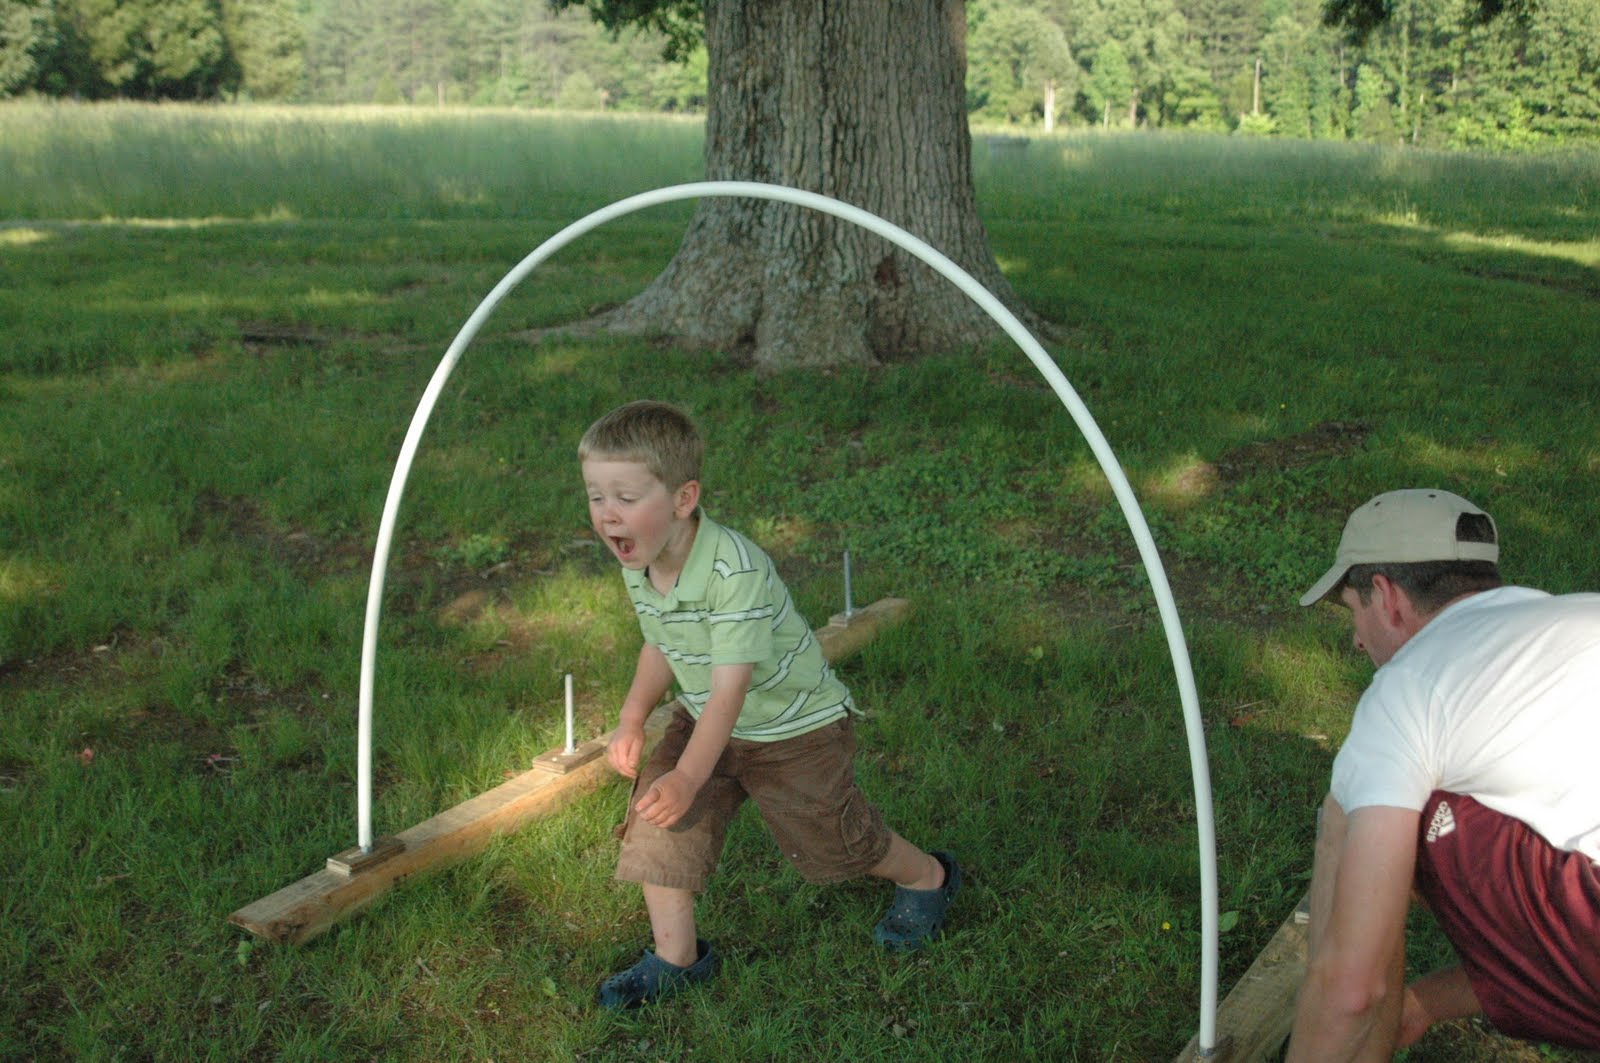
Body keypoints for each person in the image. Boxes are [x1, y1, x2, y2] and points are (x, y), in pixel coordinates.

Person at [577, 400, 959, 1009]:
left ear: (683, 498)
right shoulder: (640, 559)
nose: (606, 515)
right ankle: (676, 959)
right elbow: (661, 639)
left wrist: (688, 774)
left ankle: (927, 878)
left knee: (835, 843)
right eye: (596, 496)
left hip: (793, 728)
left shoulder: (733, 570)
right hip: (705, 717)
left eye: (624, 497)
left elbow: (732, 688)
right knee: (659, 827)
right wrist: (630, 718)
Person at [1286, 488, 1600, 1060]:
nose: (1357, 638)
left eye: (1354, 611)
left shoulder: (1411, 690)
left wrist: (1342, 999)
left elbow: (1355, 987)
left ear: (1387, 597)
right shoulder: (1578, 616)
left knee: (1363, 809)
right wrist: (1427, 1002)